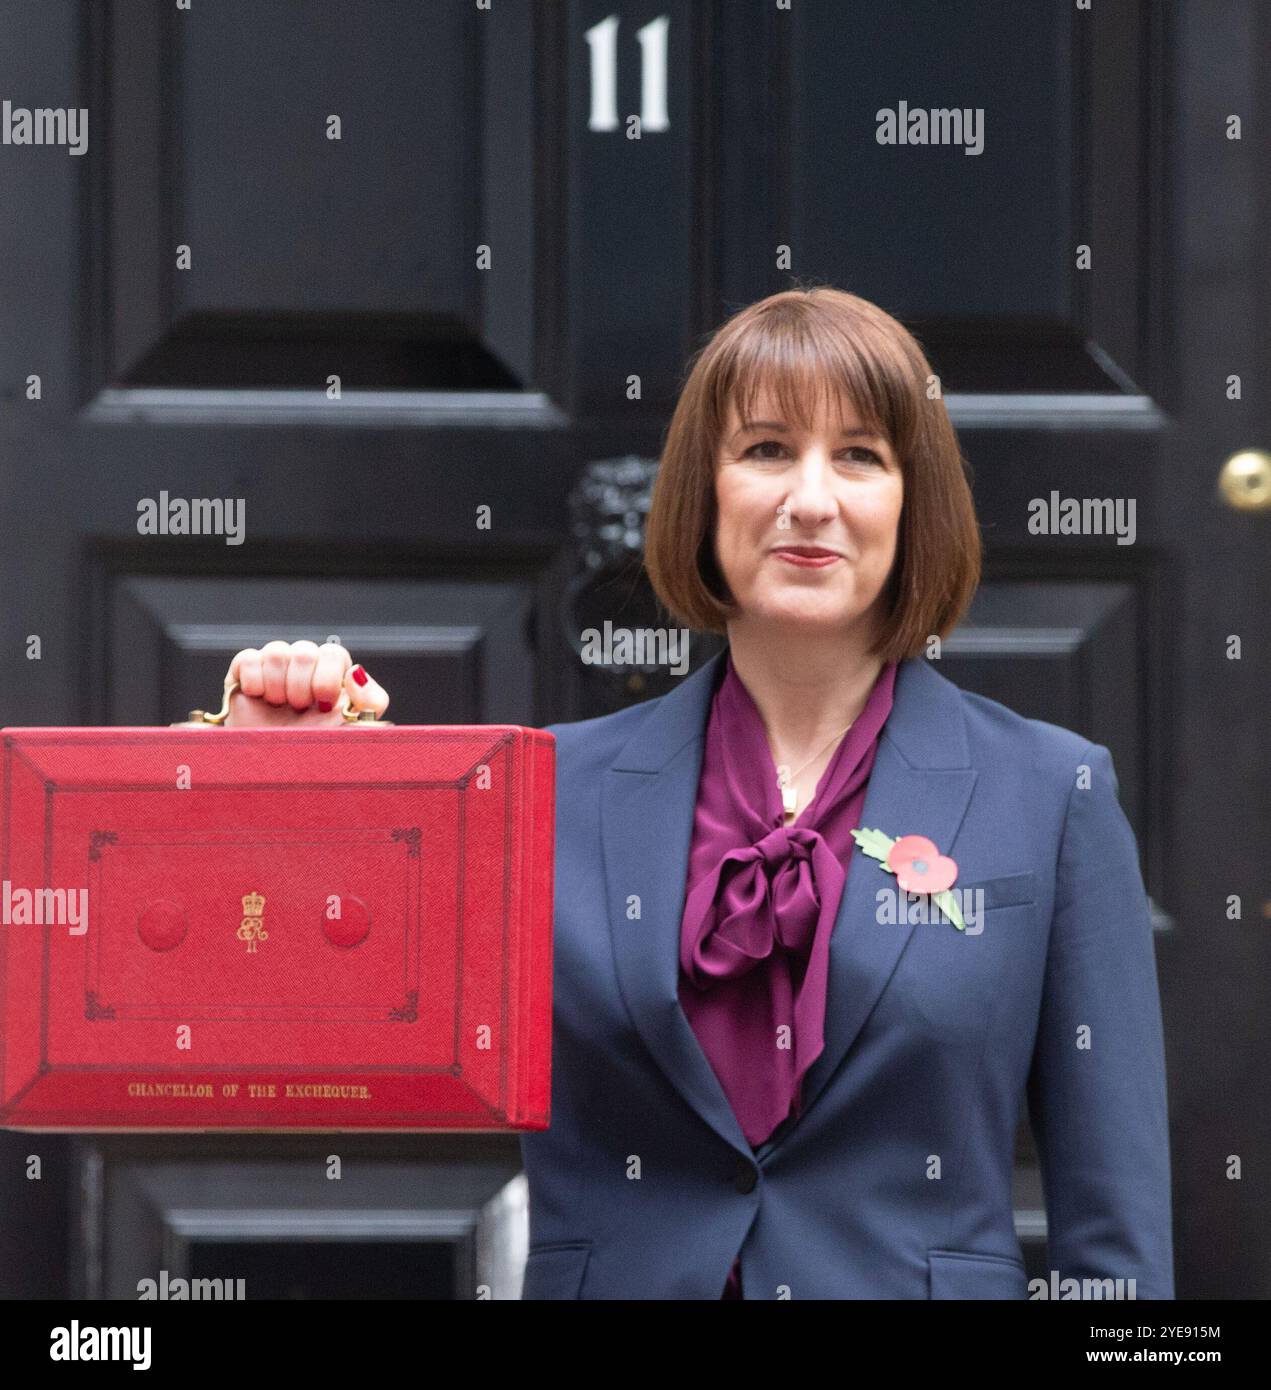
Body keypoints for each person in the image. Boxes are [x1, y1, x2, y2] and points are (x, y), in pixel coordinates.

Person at [218, 287, 1173, 1300]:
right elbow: (307, 1009)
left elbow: (1114, 1244)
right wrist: (278, 787)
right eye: (764, 449)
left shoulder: (1049, 792)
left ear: (911, 502)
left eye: (858, 454)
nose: (810, 498)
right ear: (702, 496)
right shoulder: (540, 791)